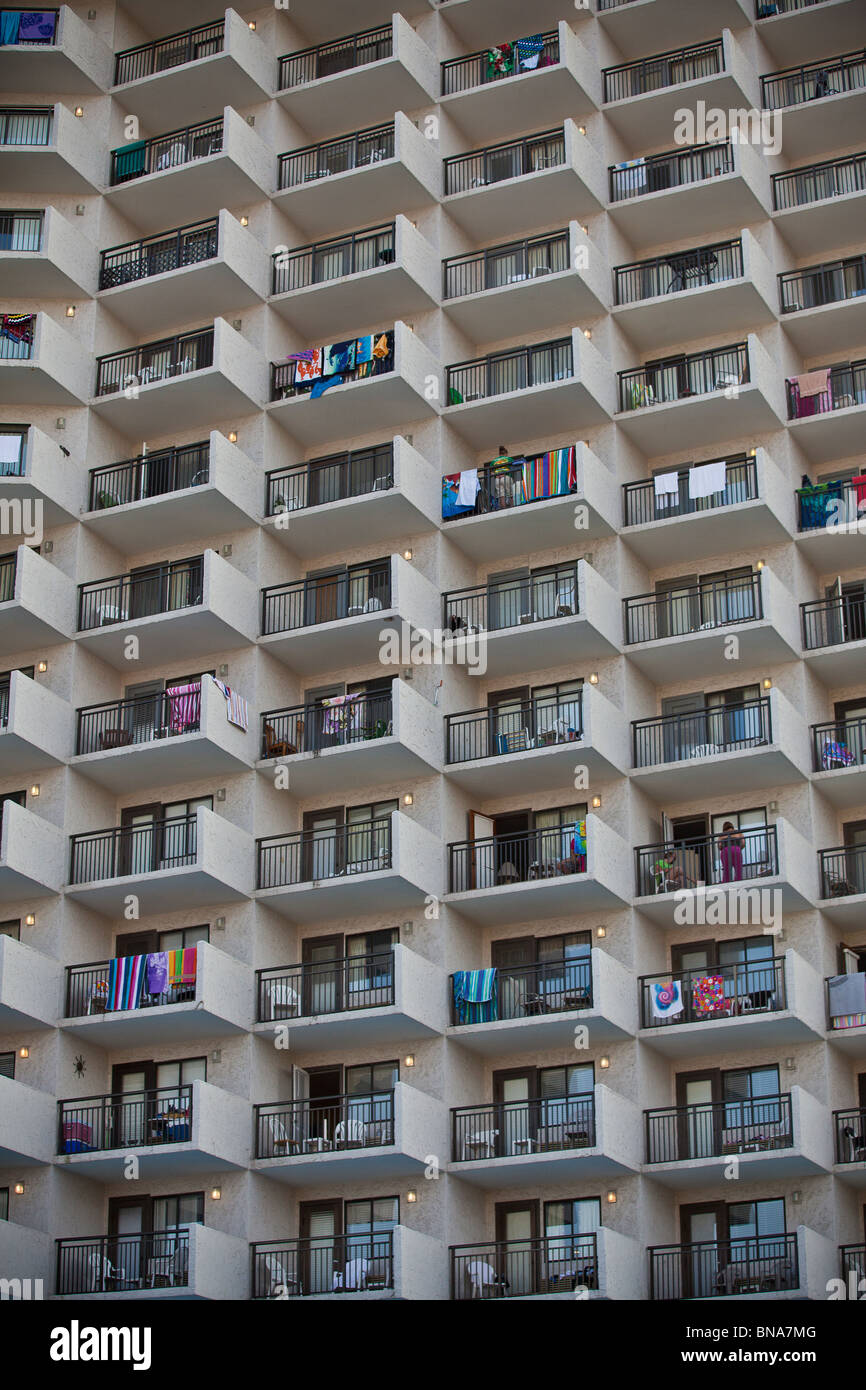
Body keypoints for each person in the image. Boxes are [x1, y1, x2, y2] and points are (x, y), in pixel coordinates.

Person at [489, 445, 515, 509]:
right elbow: (514, 466)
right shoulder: (508, 459)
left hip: (497, 479)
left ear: (499, 454)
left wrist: (497, 475)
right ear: (506, 453)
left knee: (501, 495)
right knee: (510, 493)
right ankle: (512, 506)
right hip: (506, 477)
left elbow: (491, 472)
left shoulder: (494, 461)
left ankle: (504, 508)